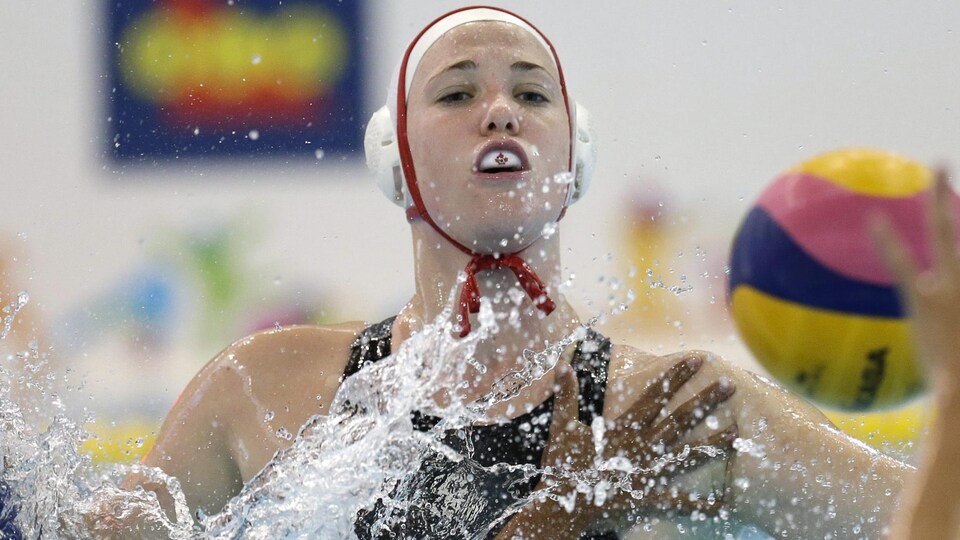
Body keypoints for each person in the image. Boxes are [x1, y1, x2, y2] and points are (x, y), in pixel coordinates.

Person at [117, 6, 913, 539]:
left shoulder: (681, 410)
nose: (500, 110)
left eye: (531, 93)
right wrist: (561, 514)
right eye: (458, 92)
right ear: (394, 156)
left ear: (576, 156)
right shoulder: (262, 390)